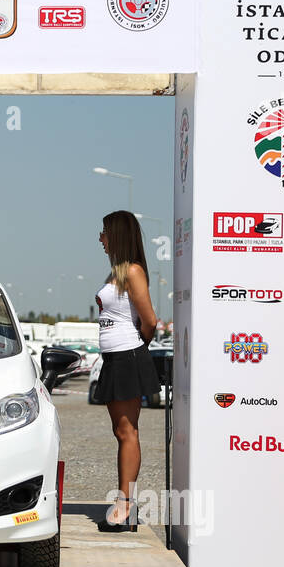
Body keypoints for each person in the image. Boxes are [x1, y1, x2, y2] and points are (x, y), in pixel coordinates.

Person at [91, 211, 160, 532]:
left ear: (118, 235)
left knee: (127, 432)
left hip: (128, 356)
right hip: (115, 359)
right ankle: (124, 502)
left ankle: (125, 504)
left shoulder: (132, 271)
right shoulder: (113, 273)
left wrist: (137, 349)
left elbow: (150, 321)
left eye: (104, 232)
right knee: (121, 432)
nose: (100, 238)